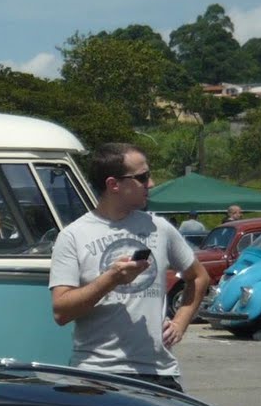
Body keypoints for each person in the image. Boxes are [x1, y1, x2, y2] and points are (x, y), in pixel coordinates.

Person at [49, 143, 209, 391]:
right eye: (142, 177)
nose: (151, 183)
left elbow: (198, 277)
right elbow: (61, 311)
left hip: (157, 373)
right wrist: (110, 279)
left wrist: (180, 322)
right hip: (96, 374)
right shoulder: (73, 236)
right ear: (114, 185)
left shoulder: (160, 228)